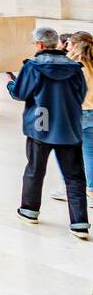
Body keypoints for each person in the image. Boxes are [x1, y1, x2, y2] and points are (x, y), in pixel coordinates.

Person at [8, 26, 88, 240]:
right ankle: (79, 223)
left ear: (40, 45)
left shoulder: (32, 66)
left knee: (35, 169)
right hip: (69, 128)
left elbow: (20, 93)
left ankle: (29, 210)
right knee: (74, 177)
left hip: (40, 127)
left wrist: (11, 85)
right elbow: (80, 95)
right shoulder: (74, 67)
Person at [66, 31, 93, 202]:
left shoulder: (74, 66)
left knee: (69, 153)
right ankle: (91, 190)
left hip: (78, 113)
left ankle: (72, 189)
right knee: (90, 153)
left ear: (75, 44)